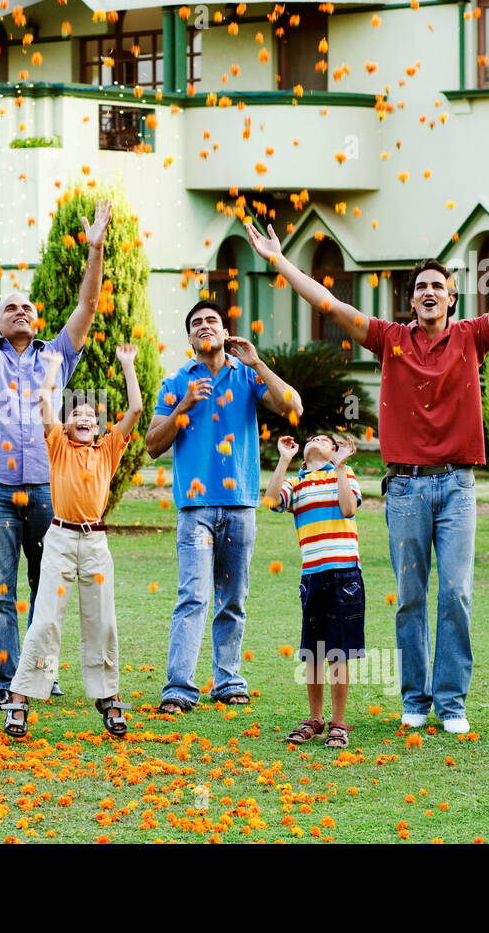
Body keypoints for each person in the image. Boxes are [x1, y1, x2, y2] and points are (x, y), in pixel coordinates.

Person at [246, 213, 489, 733]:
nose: (426, 293)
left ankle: (451, 702)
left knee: (458, 593)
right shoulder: (388, 339)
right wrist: (280, 260)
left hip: (458, 486)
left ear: (451, 299)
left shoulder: (472, 338)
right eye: (419, 286)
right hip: (405, 488)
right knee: (412, 595)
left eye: (436, 287)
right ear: (411, 299)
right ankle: (415, 699)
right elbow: (330, 304)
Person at [0, 194, 112, 709]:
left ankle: (40, 675)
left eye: (28, 308)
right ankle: (2, 684)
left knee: (49, 588)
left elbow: (86, 305)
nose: (20, 311)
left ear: (38, 323)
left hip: (46, 488)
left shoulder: (58, 357)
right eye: (9, 307)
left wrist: (96, 250)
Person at [146, 300, 302, 713]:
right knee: (193, 597)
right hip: (194, 509)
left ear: (225, 331)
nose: (203, 326)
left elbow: (293, 407)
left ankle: (228, 679)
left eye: (211, 320)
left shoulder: (247, 376)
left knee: (232, 599)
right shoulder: (176, 382)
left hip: (240, 506)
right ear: (191, 337)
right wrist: (184, 406)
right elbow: (151, 447)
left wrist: (258, 362)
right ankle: (179, 688)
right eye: (195, 323)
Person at [2, 343, 144, 739]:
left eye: (90, 416)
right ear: (64, 428)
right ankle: (20, 697)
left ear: (98, 428)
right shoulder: (59, 447)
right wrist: (50, 366)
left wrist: (128, 365)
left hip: (96, 544)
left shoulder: (108, 451)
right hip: (61, 540)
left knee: (102, 621)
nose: (84, 418)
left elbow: (134, 412)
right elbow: (46, 401)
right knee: (47, 618)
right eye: (76, 415)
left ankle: (108, 696)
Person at [266, 433, 365, 749]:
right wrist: (284, 459)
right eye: (312, 437)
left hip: (345, 575)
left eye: (324, 439)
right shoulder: (296, 484)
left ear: (334, 451)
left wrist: (339, 469)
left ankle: (338, 721)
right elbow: (271, 502)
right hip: (312, 576)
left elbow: (348, 509)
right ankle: (315, 718)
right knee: (313, 651)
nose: (315, 439)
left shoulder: (344, 474)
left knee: (339, 650)